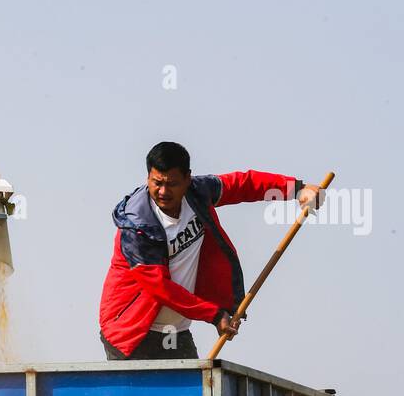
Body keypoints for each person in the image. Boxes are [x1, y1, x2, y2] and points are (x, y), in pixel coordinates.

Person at [98, 142, 322, 360]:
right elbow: (160, 287)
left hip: (174, 330)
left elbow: (243, 184)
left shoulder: (198, 193)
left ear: (187, 179)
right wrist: (214, 315)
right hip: (132, 333)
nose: (163, 191)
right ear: (148, 177)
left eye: (172, 184)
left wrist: (297, 189)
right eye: (157, 182)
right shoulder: (136, 226)